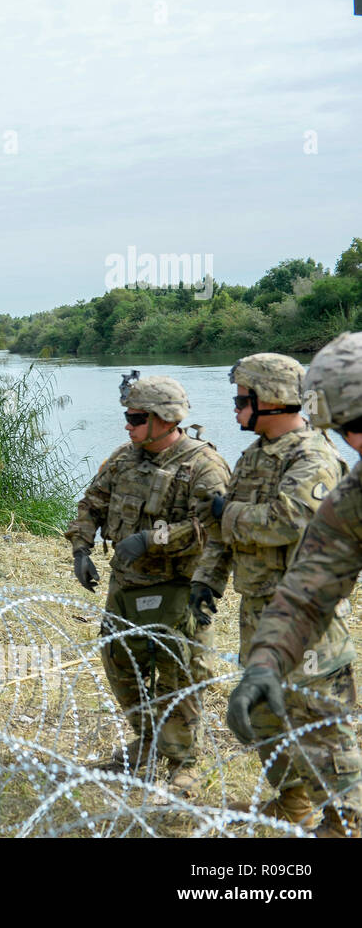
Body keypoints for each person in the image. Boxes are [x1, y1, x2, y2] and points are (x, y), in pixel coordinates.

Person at [192, 353, 349, 827]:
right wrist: (206, 580)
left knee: (318, 725)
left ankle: (346, 822)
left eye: (243, 400)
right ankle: (294, 804)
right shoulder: (256, 456)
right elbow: (225, 532)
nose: (236, 409)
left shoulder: (313, 457)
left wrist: (227, 513)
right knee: (265, 717)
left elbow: (290, 518)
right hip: (257, 607)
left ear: (273, 400)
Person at [65, 372, 230, 792]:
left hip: (178, 586)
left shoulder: (203, 466)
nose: (128, 424)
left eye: (136, 417)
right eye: (127, 415)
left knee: (179, 672)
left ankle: (183, 762)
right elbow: (91, 503)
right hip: (126, 585)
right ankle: (149, 741)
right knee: (122, 666)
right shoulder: (124, 458)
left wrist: (151, 539)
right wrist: (81, 549)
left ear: (163, 419)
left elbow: (213, 527)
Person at [227, 333, 362, 837]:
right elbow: (310, 587)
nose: (355, 444)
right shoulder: (354, 495)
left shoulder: (313, 459)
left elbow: (285, 520)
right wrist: (266, 663)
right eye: (346, 429)